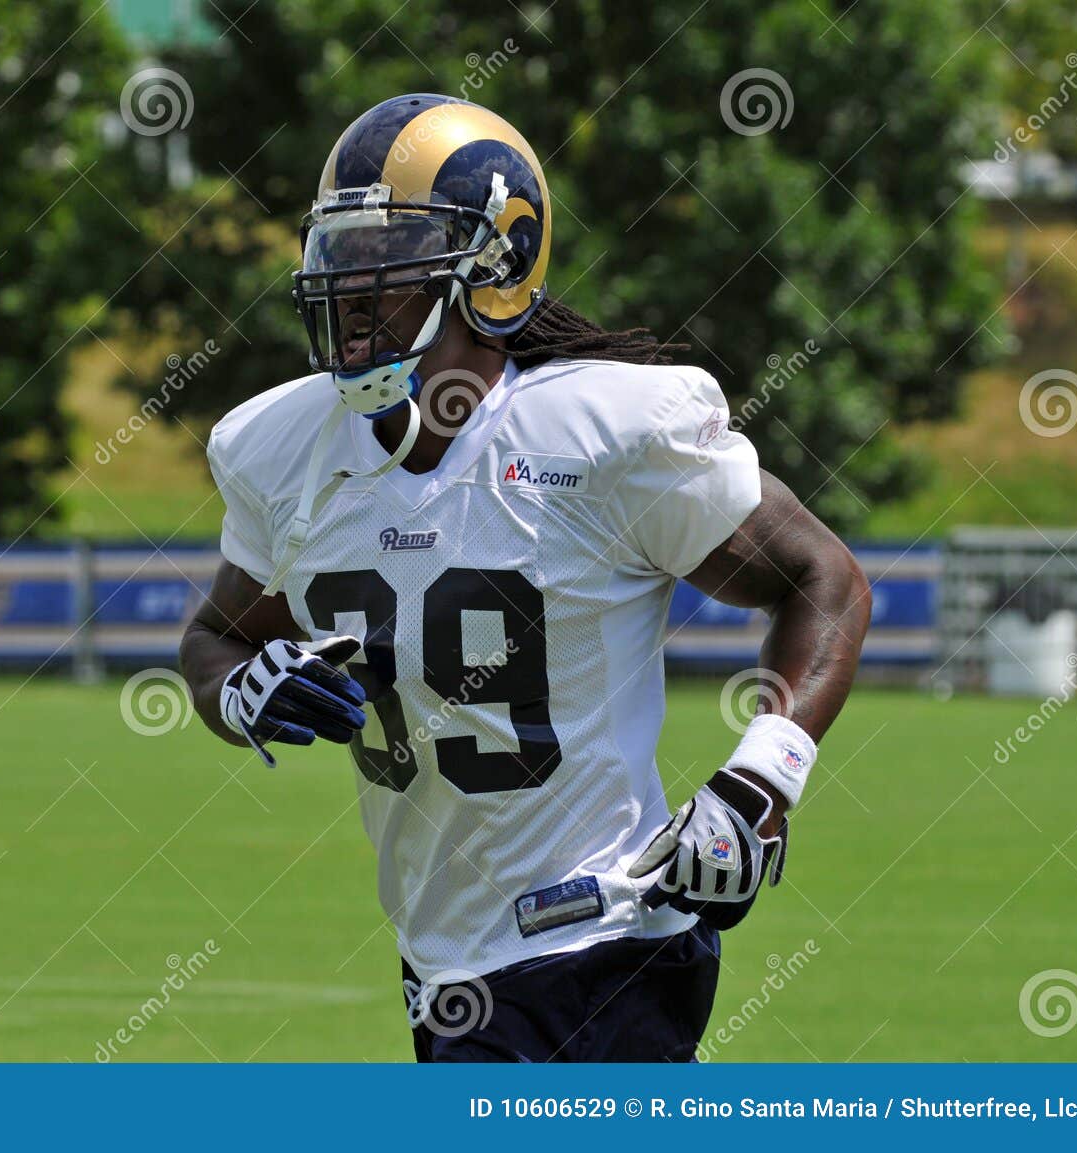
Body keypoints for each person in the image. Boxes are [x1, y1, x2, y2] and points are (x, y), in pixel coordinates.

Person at [179, 93, 871, 1062]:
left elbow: (822, 579)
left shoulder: (596, 434)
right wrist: (241, 692)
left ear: (493, 265)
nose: (352, 285)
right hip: (443, 958)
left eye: (391, 255)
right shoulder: (282, 448)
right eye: (342, 253)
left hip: (604, 946)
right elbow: (216, 637)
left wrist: (759, 782)